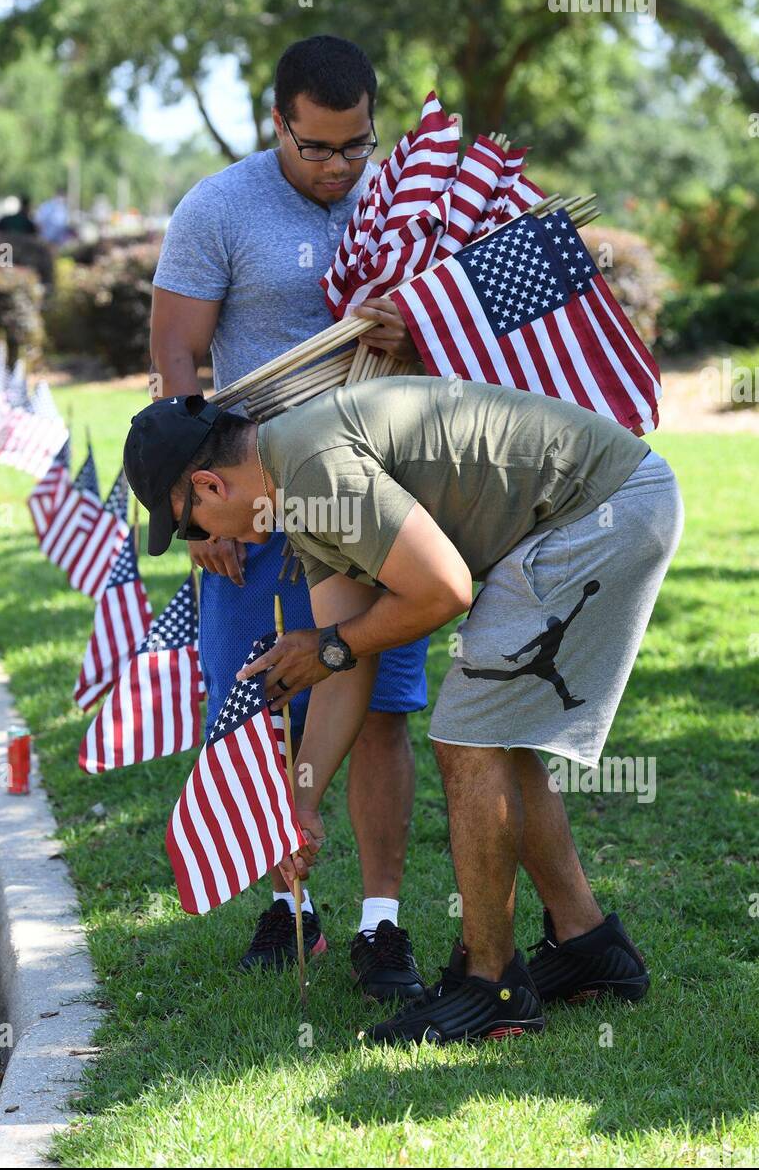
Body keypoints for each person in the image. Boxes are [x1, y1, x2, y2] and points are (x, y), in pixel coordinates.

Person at [122, 377, 684, 1044]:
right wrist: (300, 803)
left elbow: (441, 591)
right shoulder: (293, 486)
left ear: (212, 487)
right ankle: (588, 943)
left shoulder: (311, 469)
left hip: (603, 510)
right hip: (595, 506)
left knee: (468, 738)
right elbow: (344, 666)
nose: (201, 536)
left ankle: (491, 985)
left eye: (186, 523)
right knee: (488, 728)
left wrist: (330, 646)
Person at [148, 35, 432, 1002]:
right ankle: (289, 904)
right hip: (251, 506)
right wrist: (201, 521)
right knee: (267, 703)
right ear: (277, 122)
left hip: (376, 498)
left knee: (382, 705)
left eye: (357, 146)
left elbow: (458, 350)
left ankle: (379, 925)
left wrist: (413, 326)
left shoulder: (404, 207)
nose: (341, 168)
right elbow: (177, 368)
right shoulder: (218, 207)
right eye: (318, 148)